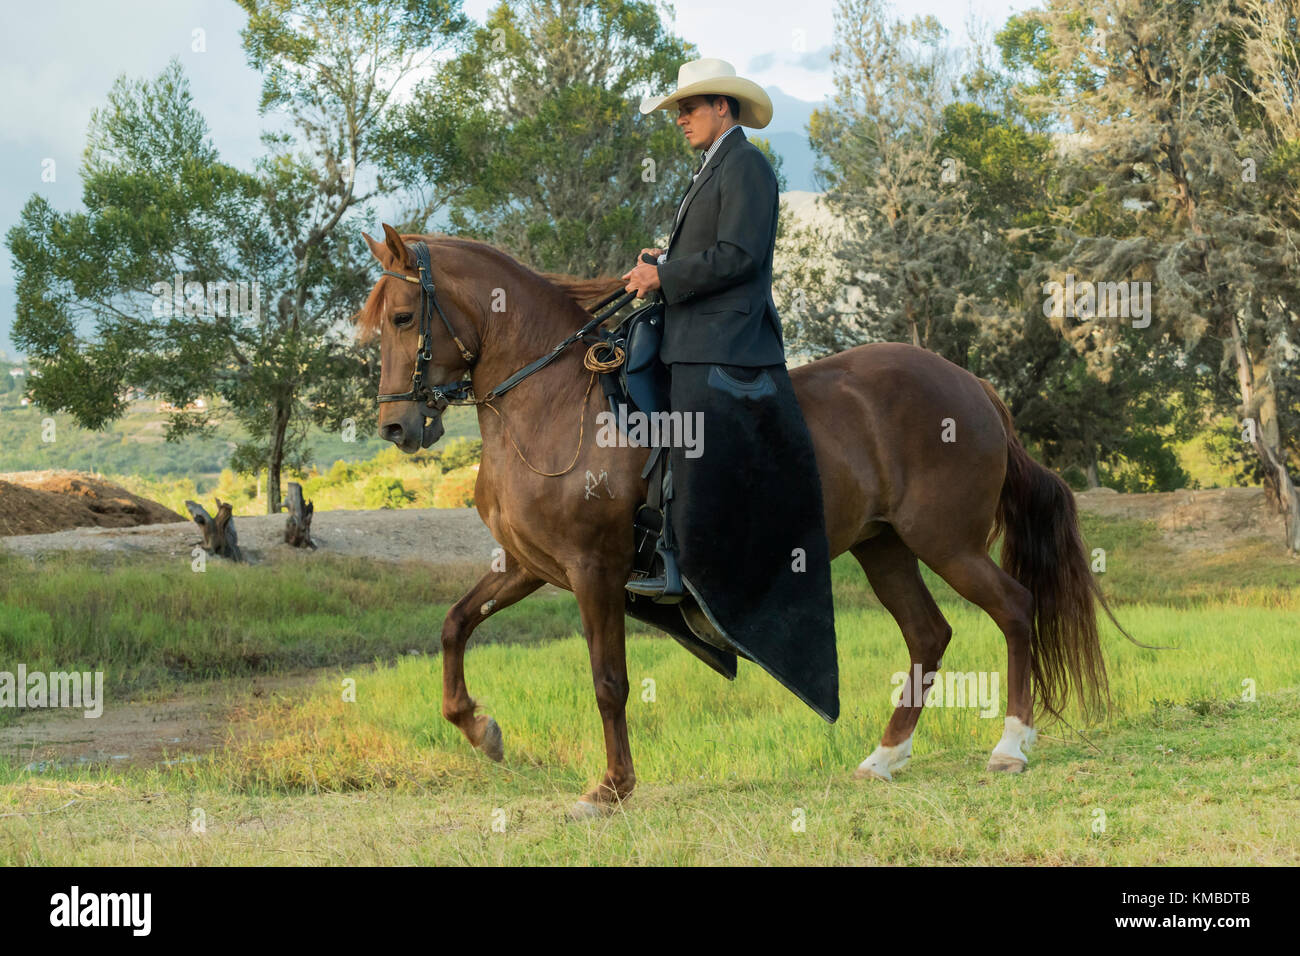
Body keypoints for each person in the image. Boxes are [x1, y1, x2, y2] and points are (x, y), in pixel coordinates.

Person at [619, 58, 840, 722]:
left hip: (727, 345)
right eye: (678, 110)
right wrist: (661, 264)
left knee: (697, 444)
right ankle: (655, 547)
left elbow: (739, 257)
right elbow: (708, 253)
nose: (680, 119)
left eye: (688, 108)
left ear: (723, 107)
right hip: (693, 335)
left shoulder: (745, 166)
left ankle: (698, 577)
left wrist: (667, 276)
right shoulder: (711, 167)